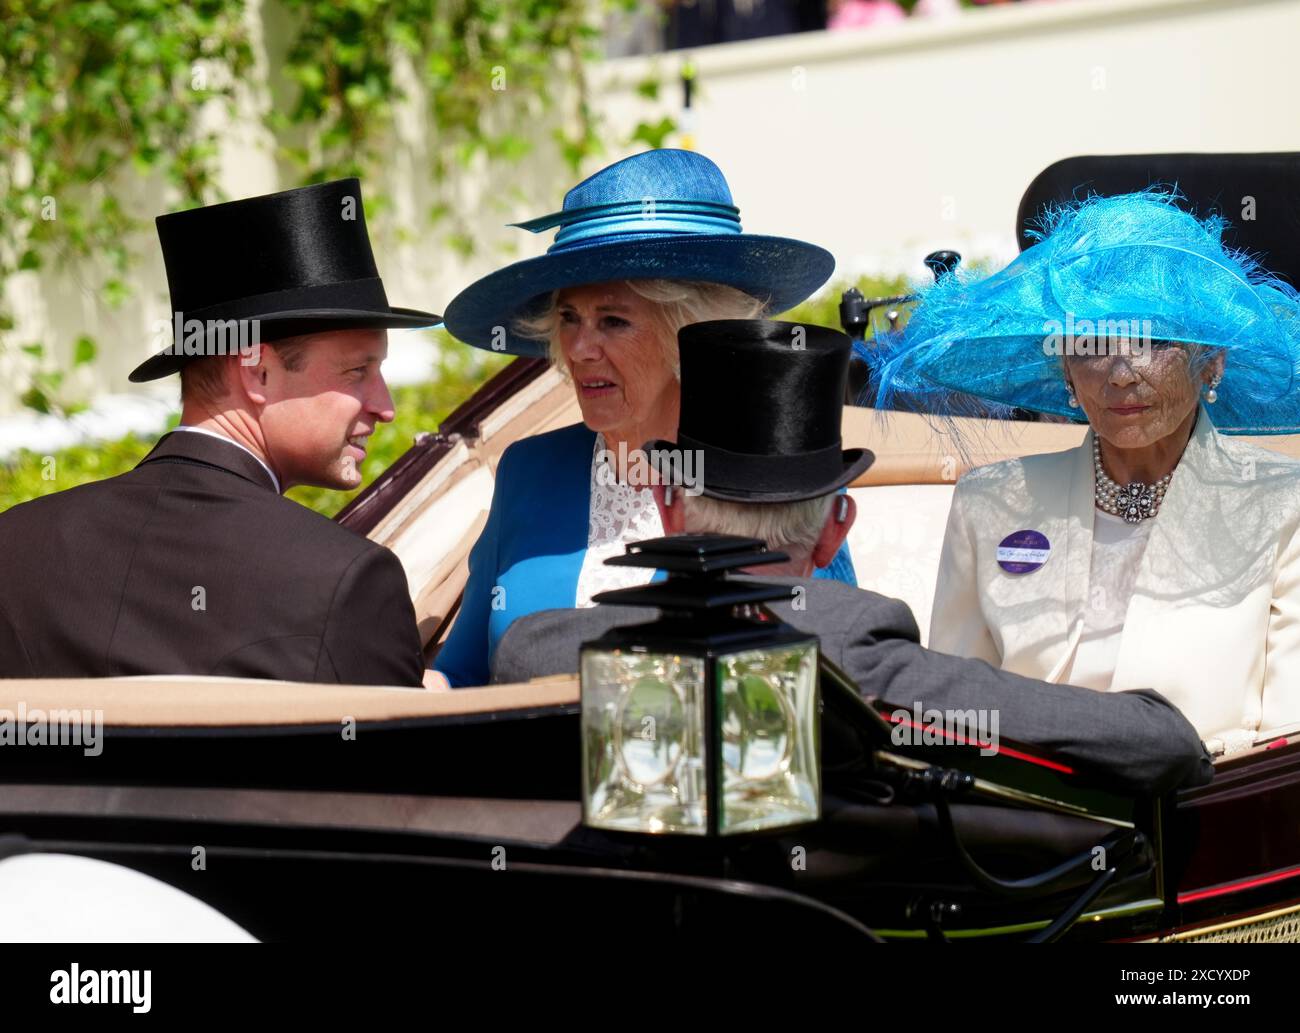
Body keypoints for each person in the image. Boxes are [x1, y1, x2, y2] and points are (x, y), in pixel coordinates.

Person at [489, 319, 1213, 793]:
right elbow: (1160, 744)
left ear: (669, 503)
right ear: (837, 528)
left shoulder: (538, 653)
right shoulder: (856, 653)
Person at [870, 190, 1300, 755]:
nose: (1121, 373)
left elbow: (1288, 746)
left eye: (1154, 340)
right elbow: (953, 728)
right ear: (1066, 371)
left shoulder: (1283, 507)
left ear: (1212, 360)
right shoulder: (990, 503)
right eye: (1092, 342)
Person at [433, 148, 851, 688]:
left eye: (613, 320)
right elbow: (459, 674)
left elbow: (838, 668)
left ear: (690, 335)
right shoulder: (529, 471)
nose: (579, 348)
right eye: (568, 318)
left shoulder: (774, 474)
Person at [0, 179, 436, 686]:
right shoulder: (347, 581)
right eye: (358, 371)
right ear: (256, 372)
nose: (386, 408)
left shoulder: (15, 545)